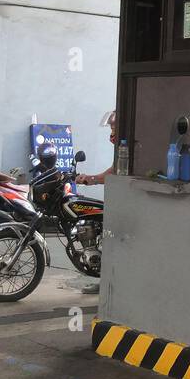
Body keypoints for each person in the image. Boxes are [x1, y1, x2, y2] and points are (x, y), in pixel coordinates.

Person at [73, 110, 116, 295]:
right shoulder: (123, 147)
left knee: (111, 241)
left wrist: (93, 179)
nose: (111, 132)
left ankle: (106, 283)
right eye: (111, 127)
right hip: (116, 196)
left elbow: (115, 172)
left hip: (124, 201)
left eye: (114, 127)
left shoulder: (129, 146)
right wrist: (92, 179)